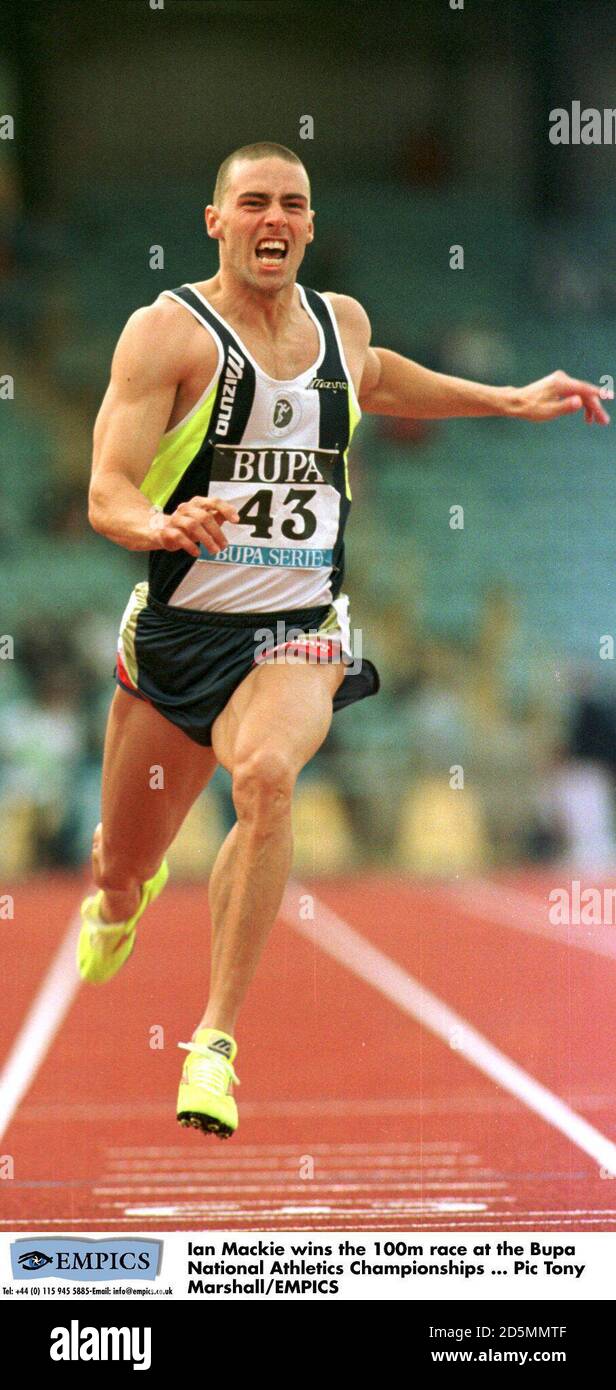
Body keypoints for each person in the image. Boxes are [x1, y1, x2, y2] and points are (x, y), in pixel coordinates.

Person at [79, 141, 610, 1139]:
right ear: (216, 221)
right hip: (181, 635)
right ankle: (121, 887)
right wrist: (153, 524)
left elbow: (377, 380)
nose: (272, 219)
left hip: (298, 631)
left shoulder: (341, 324)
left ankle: (213, 1046)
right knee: (119, 867)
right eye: (252, 204)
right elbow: (108, 485)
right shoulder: (166, 335)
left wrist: (504, 397)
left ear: (310, 225)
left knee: (268, 780)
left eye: (291, 204)